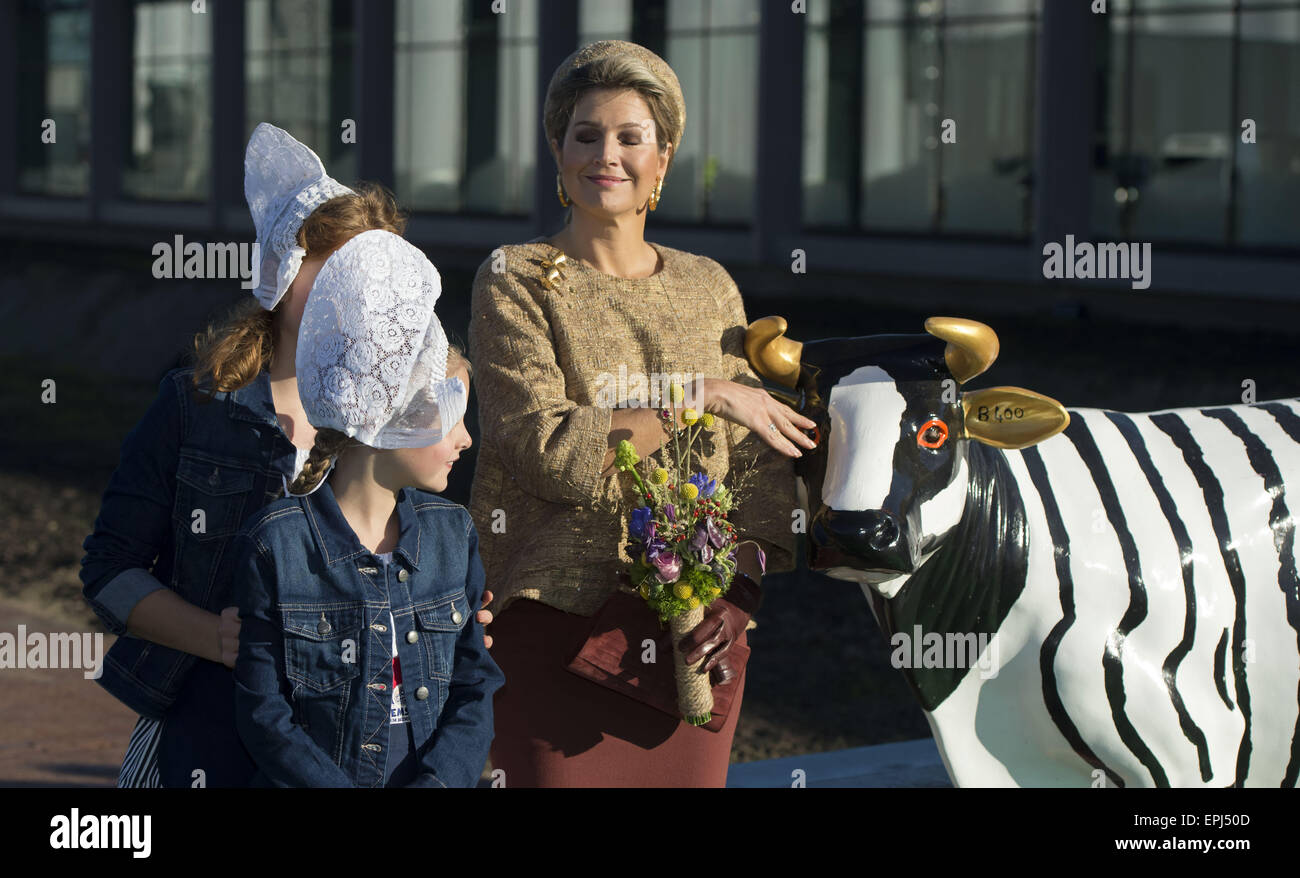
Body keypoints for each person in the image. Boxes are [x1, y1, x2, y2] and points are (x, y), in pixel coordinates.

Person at [79, 123, 490, 788]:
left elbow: (420, 562)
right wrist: (216, 636)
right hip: (211, 726)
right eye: (337, 267)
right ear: (285, 270)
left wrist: (439, 622)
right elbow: (109, 572)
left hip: (362, 746)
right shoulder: (197, 408)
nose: (360, 290)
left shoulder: (407, 406)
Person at [468, 40, 817, 787]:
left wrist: (741, 594)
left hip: (693, 638)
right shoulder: (515, 278)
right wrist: (704, 397)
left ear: (663, 158)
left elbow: (757, 468)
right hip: (546, 629)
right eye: (585, 135)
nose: (607, 155)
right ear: (557, 151)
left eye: (632, 137)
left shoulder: (710, 284)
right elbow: (550, 452)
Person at [231, 229, 503, 787]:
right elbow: (265, 714)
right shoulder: (278, 545)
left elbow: (474, 689)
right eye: (450, 417)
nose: (466, 440)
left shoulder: (454, 536)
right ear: (389, 417)